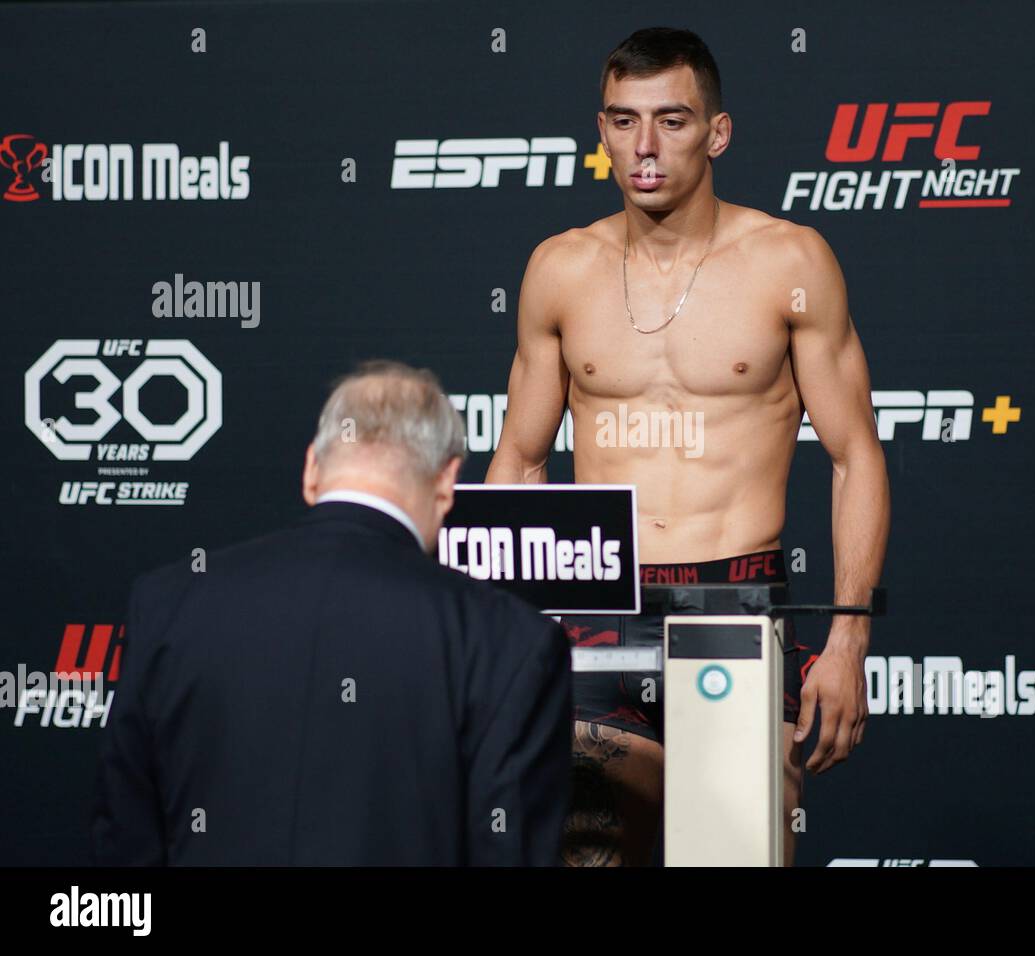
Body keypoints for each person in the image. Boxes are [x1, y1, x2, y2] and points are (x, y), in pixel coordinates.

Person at [485, 27, 890, 866]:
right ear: (600, 130)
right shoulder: (559, 269)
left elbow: (855, 456)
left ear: (717, 132)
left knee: (733, 852)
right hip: (598, 607)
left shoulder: (789, 261)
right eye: (624, 121)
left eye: (671, 121)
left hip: (735, 600)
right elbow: (520, 460)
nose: (645, 147)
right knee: (587, 853)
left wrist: (847, 642)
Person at [92, 360, 572, 865]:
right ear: (448, 481)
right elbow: (508, 851)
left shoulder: (170, 604)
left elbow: (125, 840)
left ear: (311, 470)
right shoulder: (509, 640)